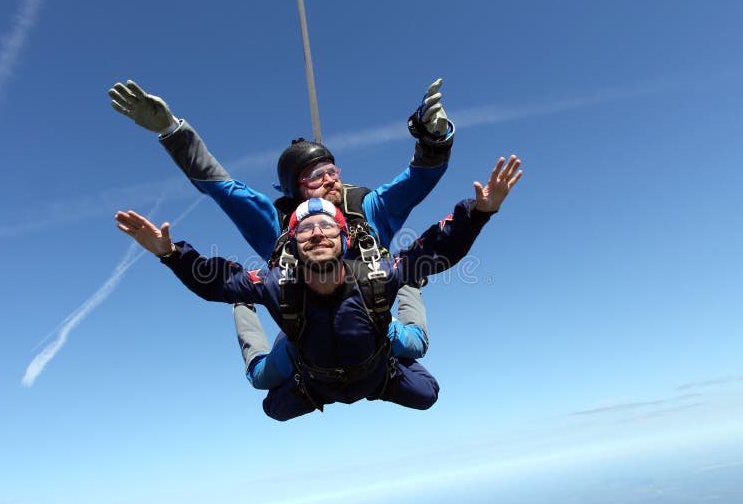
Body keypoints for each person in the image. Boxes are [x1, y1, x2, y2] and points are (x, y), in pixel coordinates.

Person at [116, 155, 523, 421]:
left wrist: (479, 212)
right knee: (266, 394)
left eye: (327, 227)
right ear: (292, 244)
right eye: (305, 229)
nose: (316, 233)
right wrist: (171, 254)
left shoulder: (377, 275)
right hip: (312, 379)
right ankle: (244, 307)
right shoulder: (279, 284)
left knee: (426, 388)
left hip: (376, 372)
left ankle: (408, 290)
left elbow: (439, 249)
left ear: (345, 239)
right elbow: (215, 280)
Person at [109, 78, 455, 385]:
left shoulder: (366, 210)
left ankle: (409, 282)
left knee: (416, 347)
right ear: (295, 190)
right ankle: (243, 304)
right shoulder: (276, 226)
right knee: (263, 380)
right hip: (306, 332)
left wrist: (434, 139)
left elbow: (418, 179)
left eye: (332, 170)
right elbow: (222, 187)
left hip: (370, 323)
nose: (330, 179)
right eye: (315, 176)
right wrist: (172, 131)